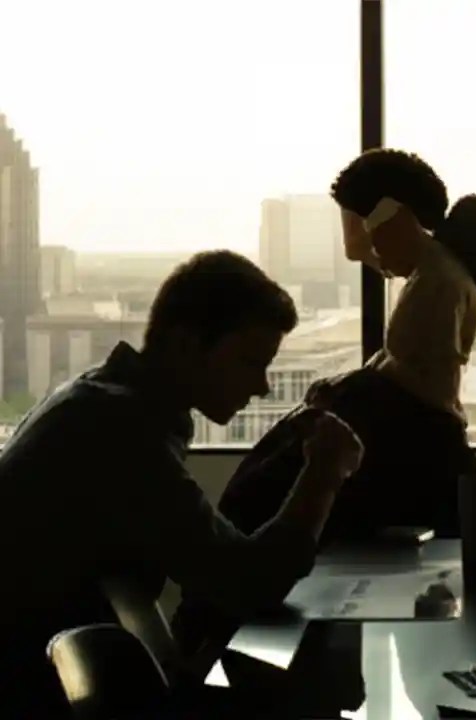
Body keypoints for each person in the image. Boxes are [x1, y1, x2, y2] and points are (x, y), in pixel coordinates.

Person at [170, 149, 476, 653]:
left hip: (406, 433)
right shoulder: (437, 278)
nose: (360, 248)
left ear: (396, 215)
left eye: (368, 223)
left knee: (271, 490)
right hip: (404, 427)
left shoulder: (437, 281)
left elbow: (412, 376)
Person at [0, 251, 364, 717]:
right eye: (250, 362)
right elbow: (248, 583)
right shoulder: (120, 431)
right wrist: (325, 471)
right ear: (187, 344)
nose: (263, 388)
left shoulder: (92, 400)